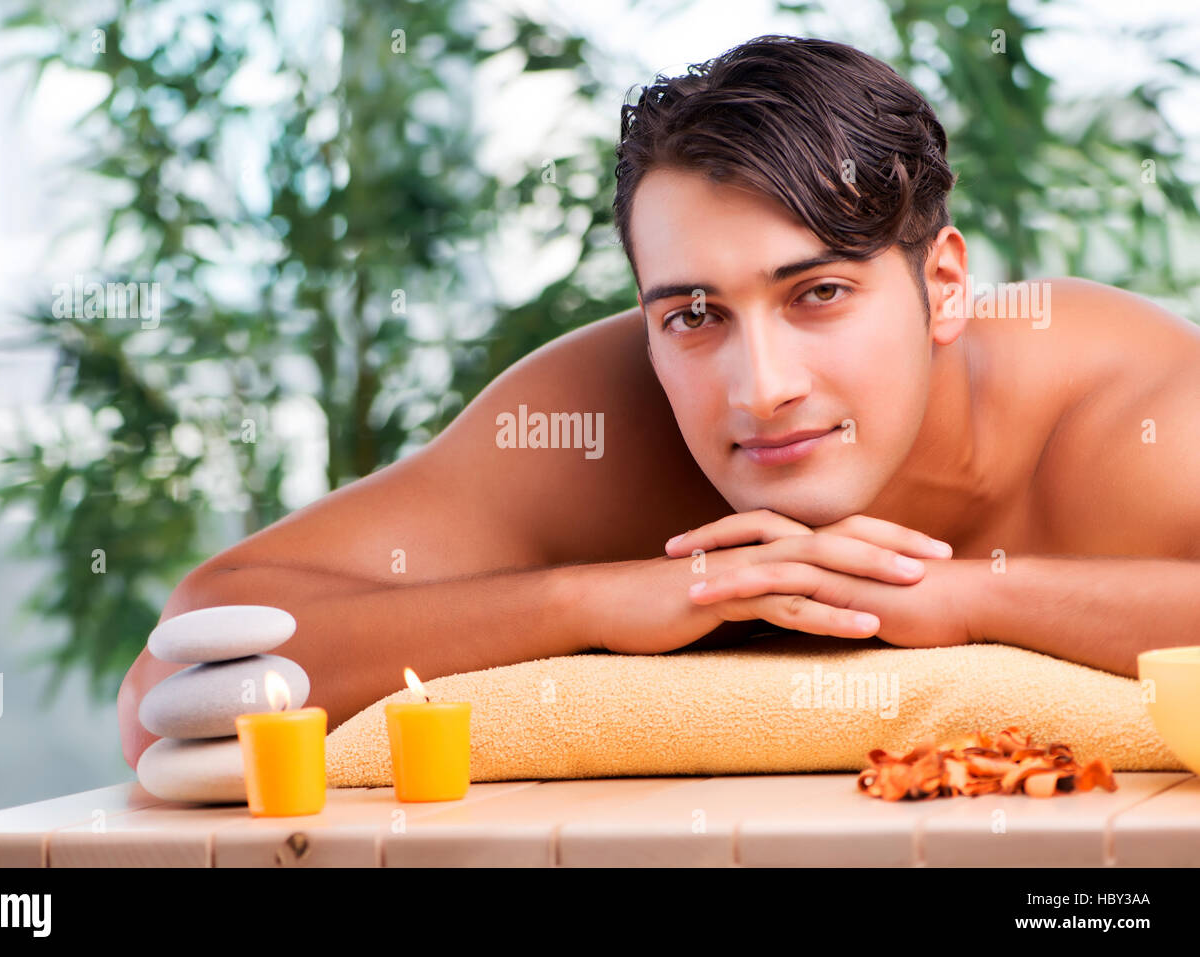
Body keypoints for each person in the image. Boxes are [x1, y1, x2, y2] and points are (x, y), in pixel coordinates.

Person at [118, 34, 1200, 770]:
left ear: (945, 286)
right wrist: (583, 605)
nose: (761, 387)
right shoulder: (591, 422)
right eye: (692, 314)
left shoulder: (1132, 415)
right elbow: (172, 677)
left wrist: (968, 601)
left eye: (817, 293)